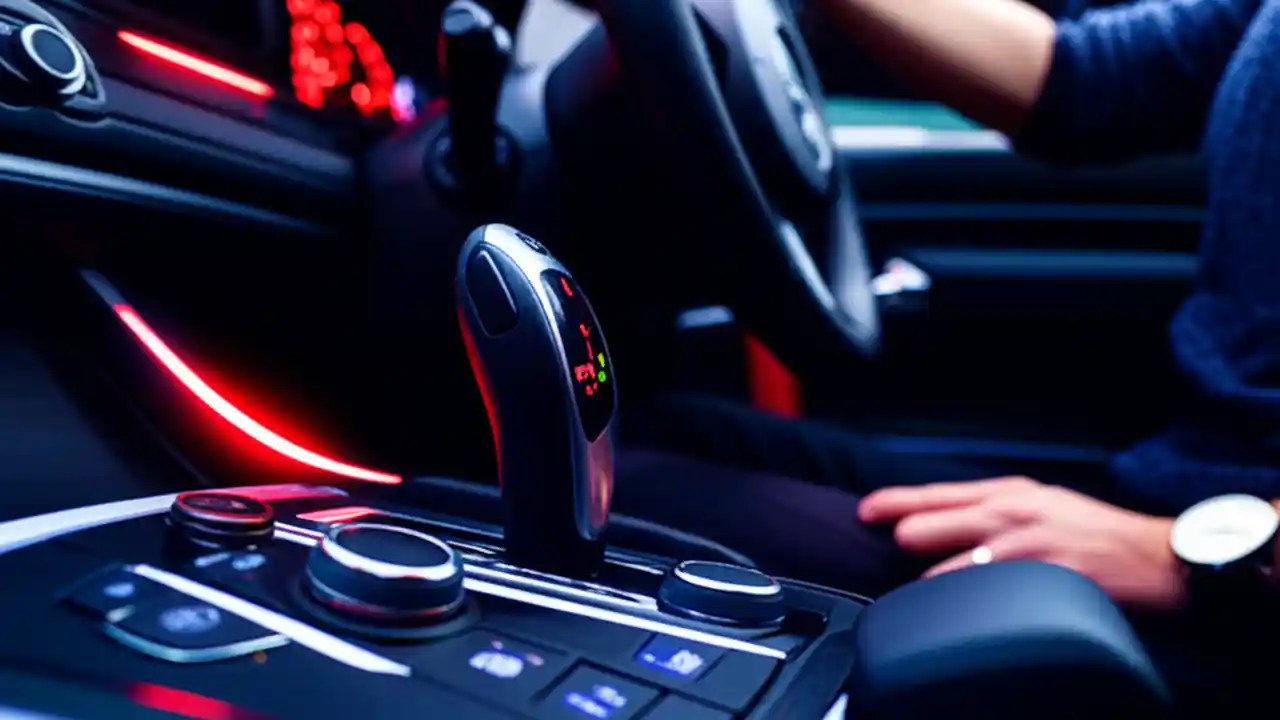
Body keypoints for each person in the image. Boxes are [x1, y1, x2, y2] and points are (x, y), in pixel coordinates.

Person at [615, 0, 1280, 708]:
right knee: (640, 441)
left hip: (1236, 600)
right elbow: (1083, 82)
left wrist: (1182, 558)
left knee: (623, 501)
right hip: (1199, 510)